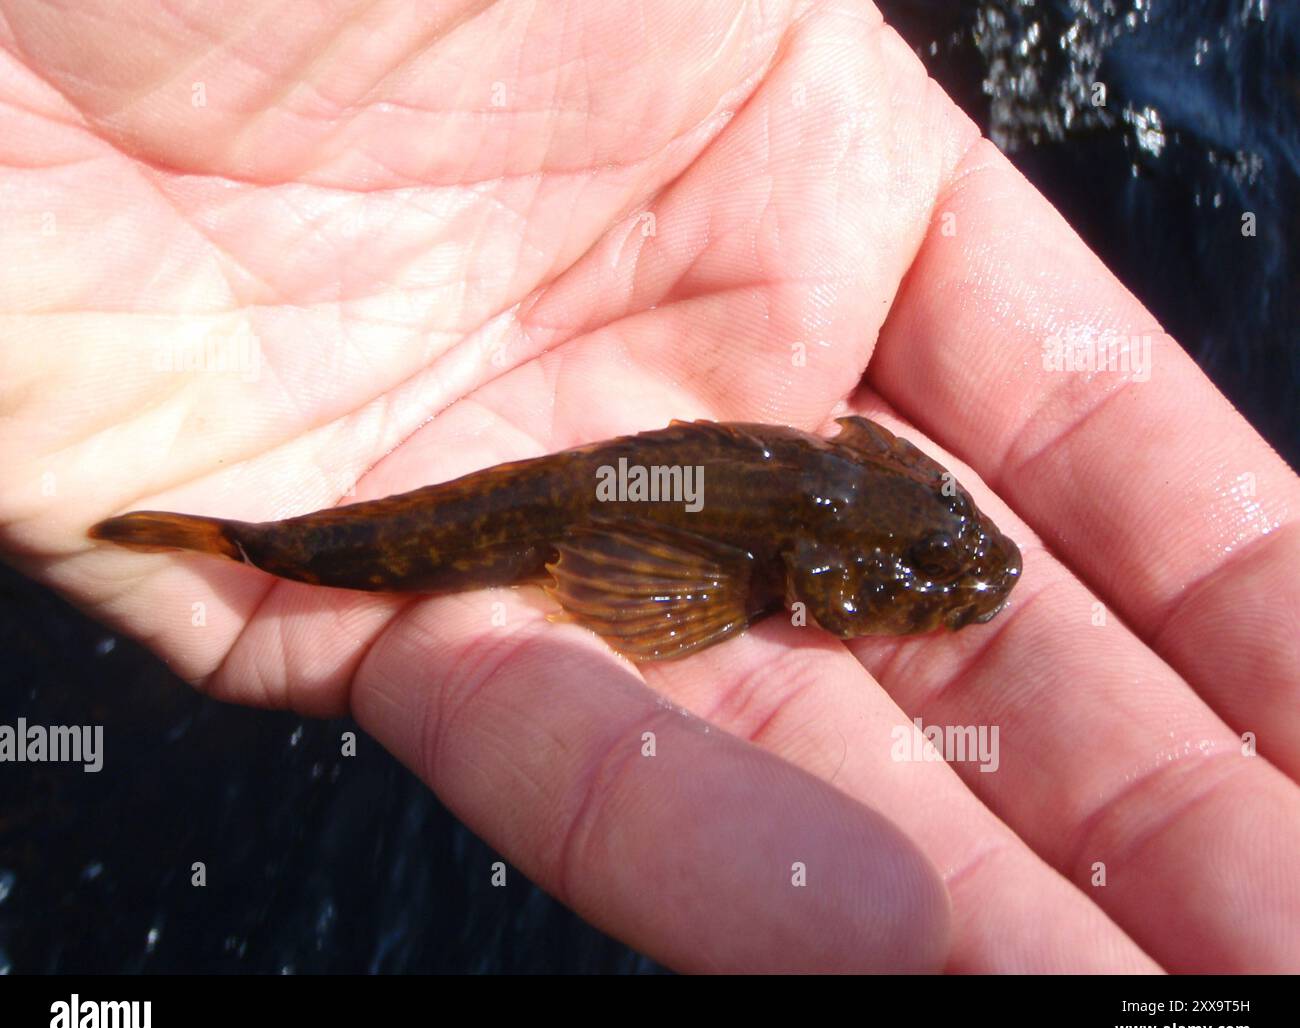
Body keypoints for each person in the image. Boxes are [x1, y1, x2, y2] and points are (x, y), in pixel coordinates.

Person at [1, 1, 1296, 973]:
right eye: (932, 559)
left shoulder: (841, 487)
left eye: (943, 547)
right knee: (357, 541)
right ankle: (223, 537)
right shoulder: (788, 534)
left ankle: (222, 535)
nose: (966, 565)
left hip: (616, 496)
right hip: (545, 503)